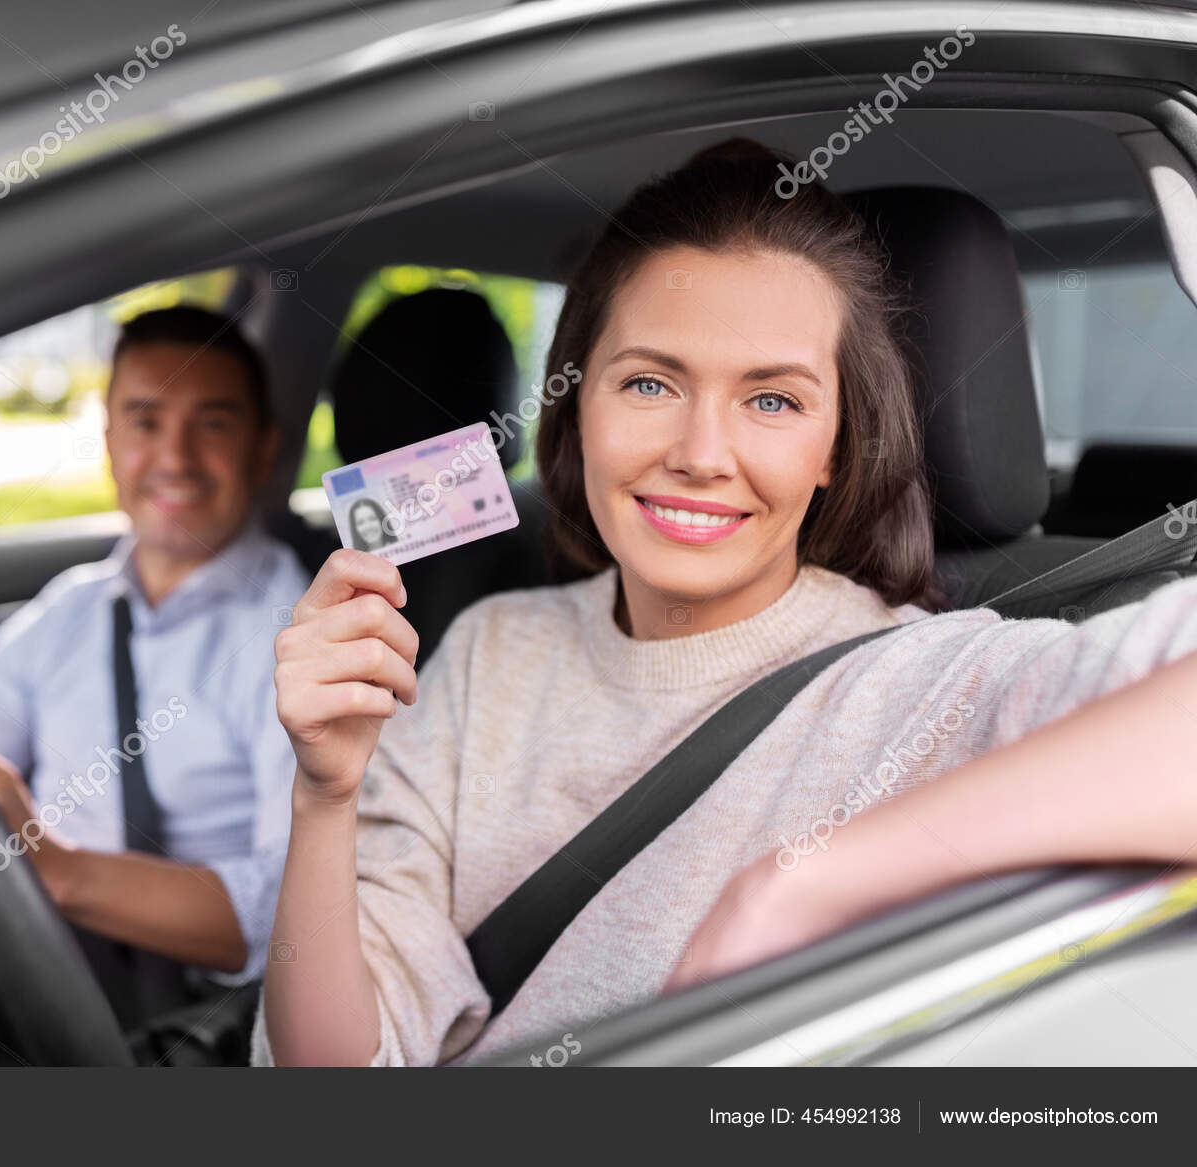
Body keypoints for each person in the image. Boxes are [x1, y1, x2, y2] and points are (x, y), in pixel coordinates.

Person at [255, 137, 1197, 1066]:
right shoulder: (485, 648)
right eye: (650, 382)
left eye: (774, 401)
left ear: (836, 446)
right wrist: (325, 799)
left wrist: (800, 887)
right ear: (579, 411)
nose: (702, 452)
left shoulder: (924, 681)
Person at [0, 305, 307, 1031]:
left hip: (185, 1023)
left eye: (212, 423)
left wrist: (57, 869)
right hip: (26, 962)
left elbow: (299, 908)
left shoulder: (301, 633)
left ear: (263, 449)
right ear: (111, 443)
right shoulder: (69, 609)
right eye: (145, 421)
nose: (173, 457)